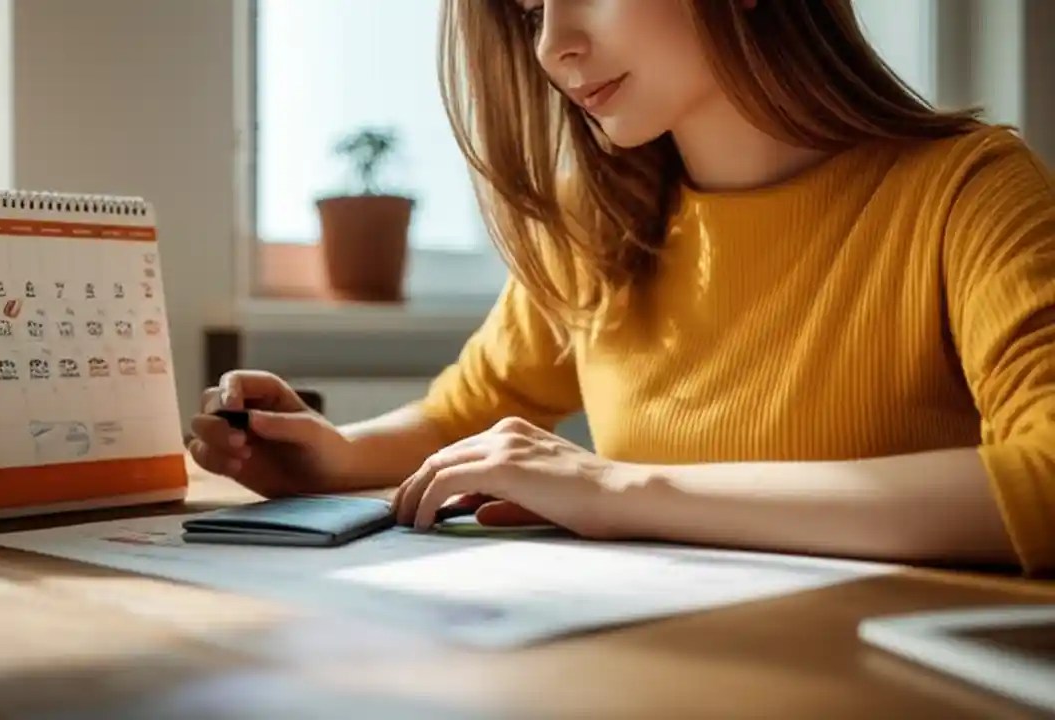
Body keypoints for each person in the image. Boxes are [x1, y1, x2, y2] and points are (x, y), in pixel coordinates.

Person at [189, 0, 1054, 575]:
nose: (552, 45)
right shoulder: (596, 229)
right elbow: (467, 411)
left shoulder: (969, 192)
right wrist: (334, 453)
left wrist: (618, 489)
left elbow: (1045, 477)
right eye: (530, 7)